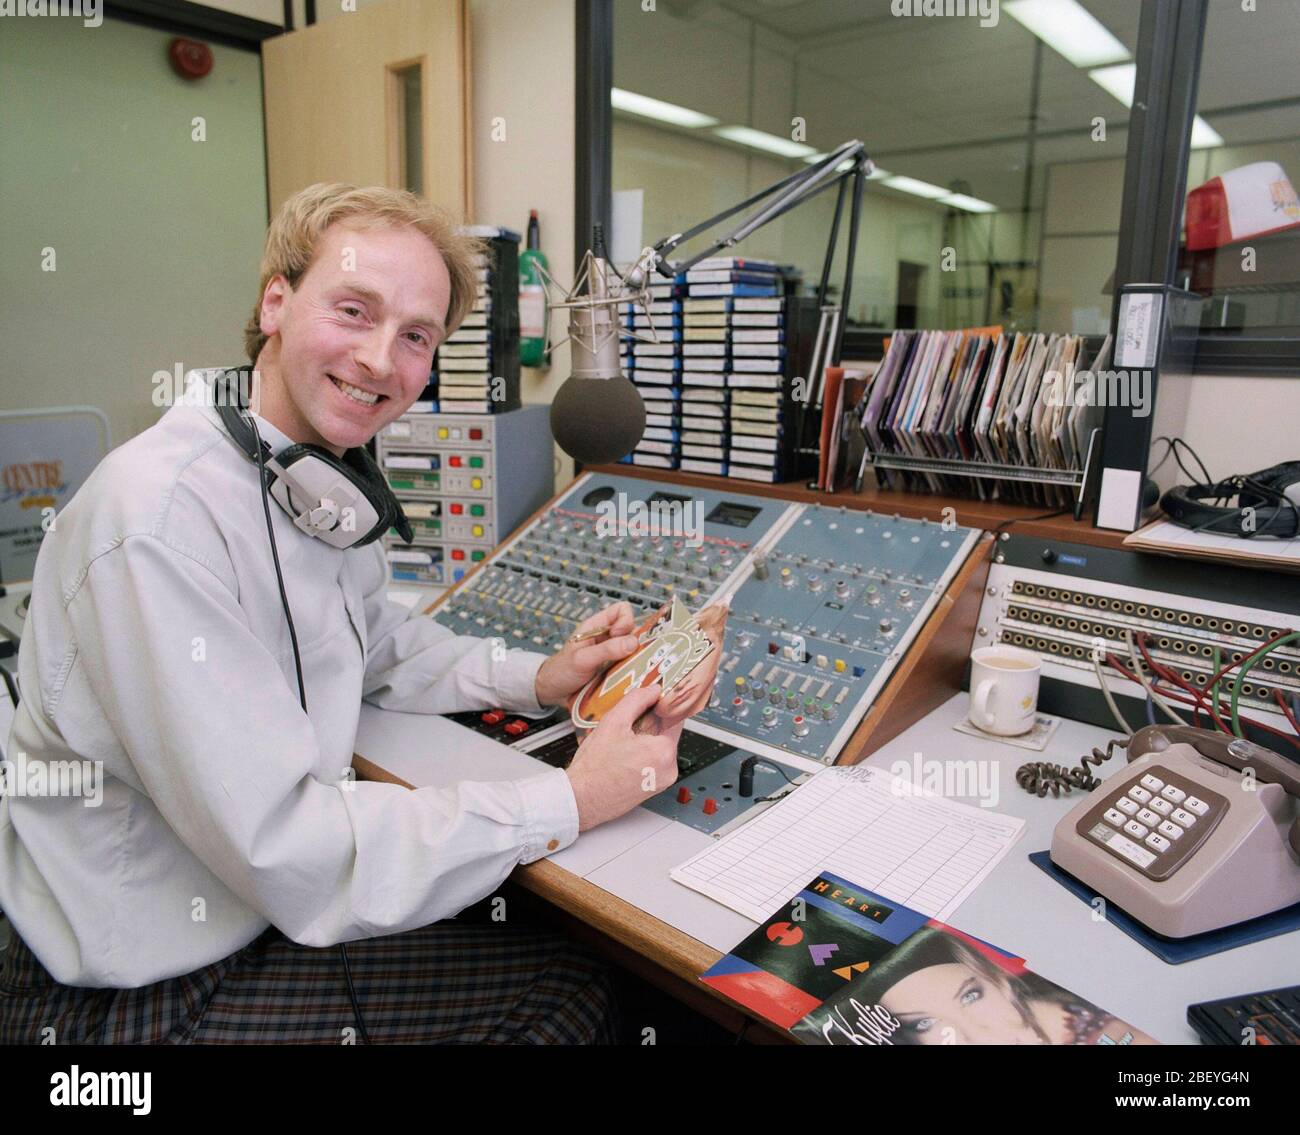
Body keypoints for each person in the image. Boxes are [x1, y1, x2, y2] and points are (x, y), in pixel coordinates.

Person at [0, 183, 685, 1044]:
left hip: (243, 913)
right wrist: (572, 798)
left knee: (515, 919)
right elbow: (289, 848)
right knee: (567, 986)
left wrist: (536, 677)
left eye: (415, 337)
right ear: (275, 301)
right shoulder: (158, 525)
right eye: (354, 310)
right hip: (138, 994)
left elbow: (375, 640)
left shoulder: (311, 469)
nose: (377, 359)